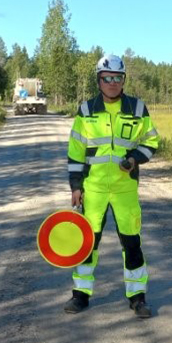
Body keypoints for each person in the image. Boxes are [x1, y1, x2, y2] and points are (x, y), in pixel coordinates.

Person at [65, 54, 160, 318]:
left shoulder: (137, 109)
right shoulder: (86, 111)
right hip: (93, 190)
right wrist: (76, 186)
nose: (112, 83)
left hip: (125, 189)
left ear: (123, 80)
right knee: (87, 244)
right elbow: (76, 153)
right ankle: (80, 296)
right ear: (98, 80)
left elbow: (151, 142)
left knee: (132, 243)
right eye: (107, 78)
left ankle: (138, 298)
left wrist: (134, 159)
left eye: (117, 78)